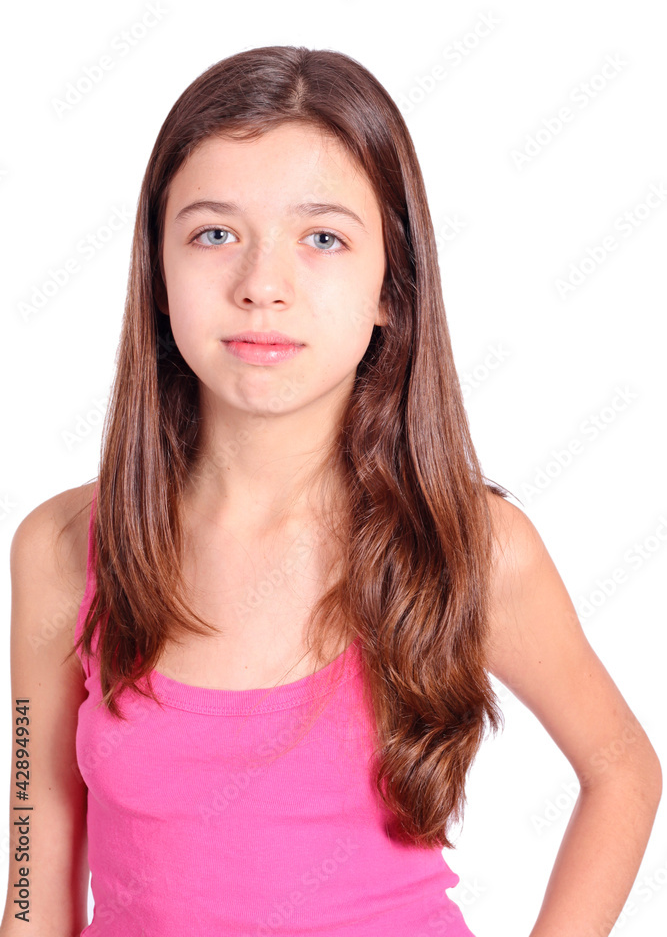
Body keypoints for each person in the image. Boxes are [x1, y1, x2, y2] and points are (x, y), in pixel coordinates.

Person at [2, 45, 661, 937]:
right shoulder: (60, 546)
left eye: (322, 239)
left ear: (390, 287)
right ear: (156, 276)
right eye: (213, 233)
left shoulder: (471, 545)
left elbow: (622, 765)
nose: (261, 286)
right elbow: (36, 835)